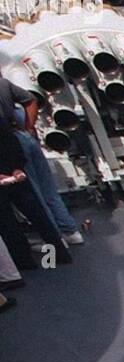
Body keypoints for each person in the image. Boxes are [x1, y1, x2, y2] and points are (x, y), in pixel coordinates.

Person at [10, 90, 81, 245]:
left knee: (36, 193)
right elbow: (31, 99)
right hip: (27, 137)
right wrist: (28, 129)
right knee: (48, 189)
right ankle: (70, 231)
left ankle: (56, 238)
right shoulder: (6, 87)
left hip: (14, 142)